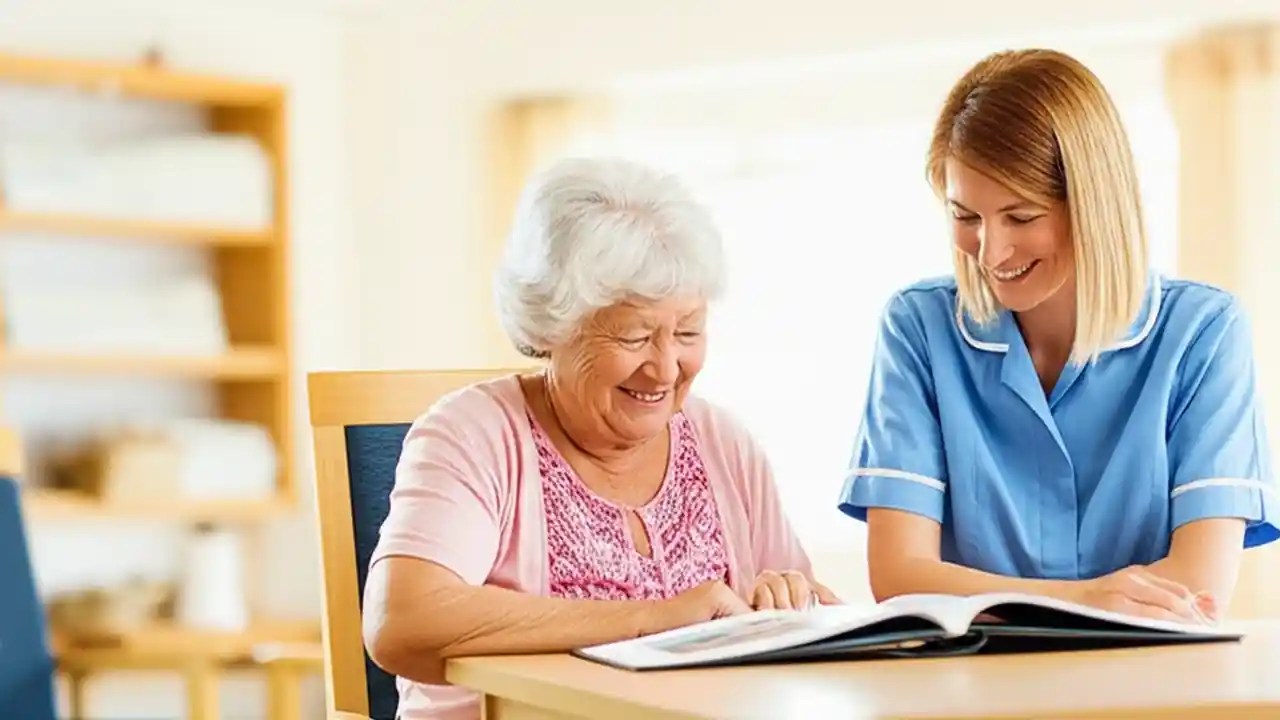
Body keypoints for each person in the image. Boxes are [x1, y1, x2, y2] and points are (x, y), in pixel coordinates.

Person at [365, 157, 836, 720]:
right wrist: (654, 618)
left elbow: (812, 621)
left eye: (688, 332)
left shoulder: (722, 442)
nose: (665, 369)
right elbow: (404, 622)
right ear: (552, 327)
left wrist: (790, 601)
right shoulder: (473, 435)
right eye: (635, 336)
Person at [840, 49, 1278, 625]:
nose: (990, 252)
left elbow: (1196, 589)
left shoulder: (1202, 334)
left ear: (1092, 206)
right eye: (966, 216)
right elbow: (900, 575)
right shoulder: (918, 330)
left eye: (1020, 218)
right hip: (970, 698)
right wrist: (1087, 601)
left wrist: (1003, 601)